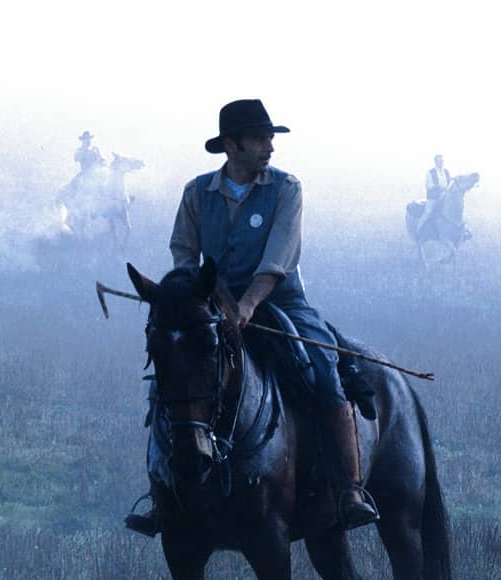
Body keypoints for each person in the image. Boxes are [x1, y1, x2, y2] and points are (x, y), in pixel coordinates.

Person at [124, 99, 379, 538]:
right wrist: (209, 297)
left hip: (281, 303)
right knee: (172, 377)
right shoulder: (196, 193)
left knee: (321, 371)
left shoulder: (286, 189)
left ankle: (350, 489)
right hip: (212, 302)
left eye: (270, 139)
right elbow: (184, 253)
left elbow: (279, 257)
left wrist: (247, 305)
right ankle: (160, 492)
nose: (270, 148)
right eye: (261, 139)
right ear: (231, 145)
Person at [415, 154, 451, 235]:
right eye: (439, 161)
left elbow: (450, 184)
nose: (441, 163)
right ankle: (418, 230)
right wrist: (439, 187)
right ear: (435, 162)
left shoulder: (446, 172)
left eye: (442, 161)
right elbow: (429, 186)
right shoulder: (430, 172)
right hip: (434, 197)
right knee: (428, 212)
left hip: (446, 196)